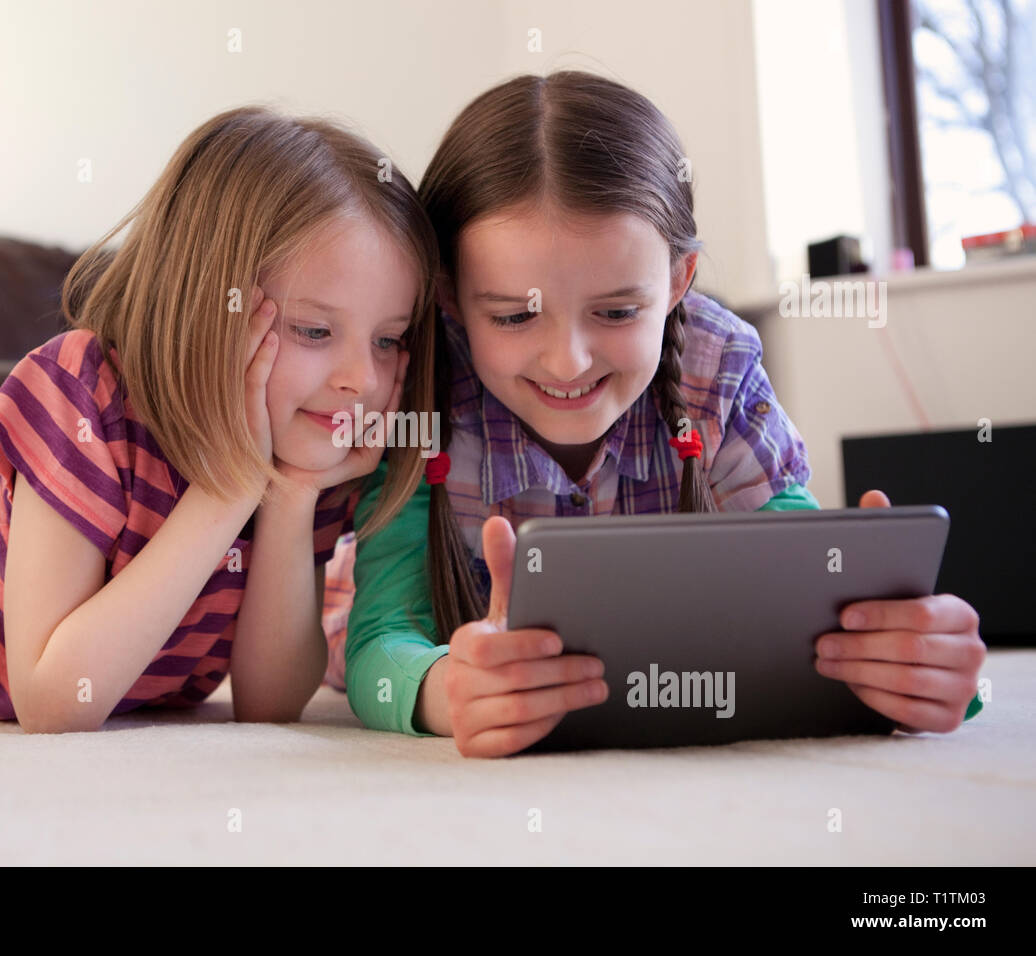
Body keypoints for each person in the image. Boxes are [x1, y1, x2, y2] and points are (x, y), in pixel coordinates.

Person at [337, 71, 985, 757]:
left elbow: (817, 595)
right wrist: (448, 689)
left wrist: (925, 661)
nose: (567, 362)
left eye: (617, 312)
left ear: (678, 281)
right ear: (448, 297)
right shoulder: (421, 387)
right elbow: (380, 644)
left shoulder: (717, 370)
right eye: (515, 315)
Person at [0, 106, 440, 733]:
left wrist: (289, 500)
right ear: (205, 305)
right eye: (315, 331)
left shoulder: (299, 449)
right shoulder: (84, 393)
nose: (364, 379)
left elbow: (271, 703)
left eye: (388, 340)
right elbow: (53, 698)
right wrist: (229, 487)